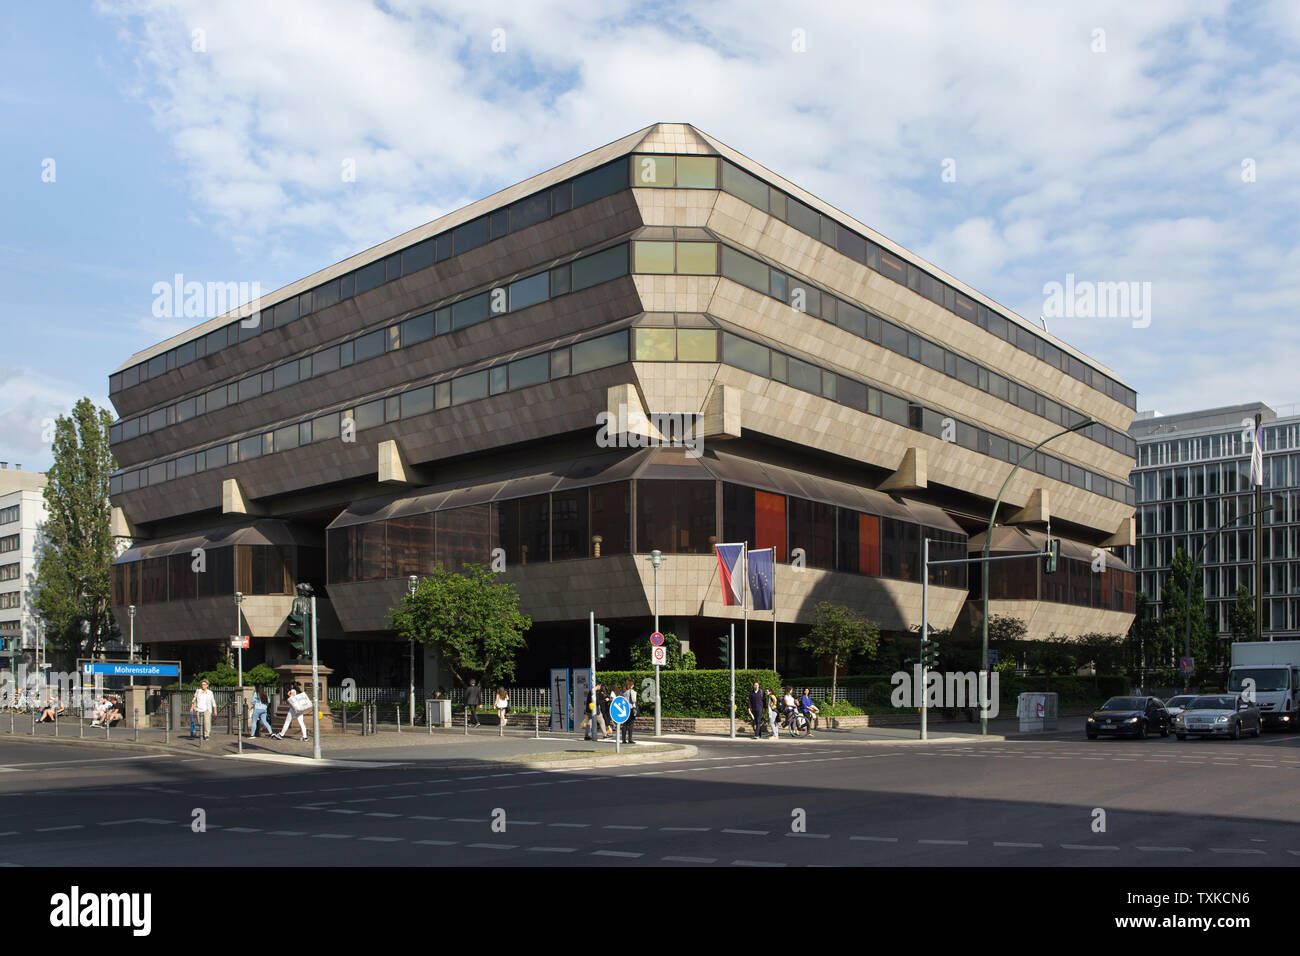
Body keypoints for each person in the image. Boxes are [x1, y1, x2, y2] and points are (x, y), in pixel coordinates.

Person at [620, 679, 637, 745]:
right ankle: (630, 739)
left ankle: (623, 739)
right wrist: (635, 694)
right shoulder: (631, 691)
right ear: (631, 685)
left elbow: (621, 699)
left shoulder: (622, 691)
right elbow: (633, 700)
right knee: (631, 725)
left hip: (624, 709)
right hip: (631, 709)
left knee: (624, 725)